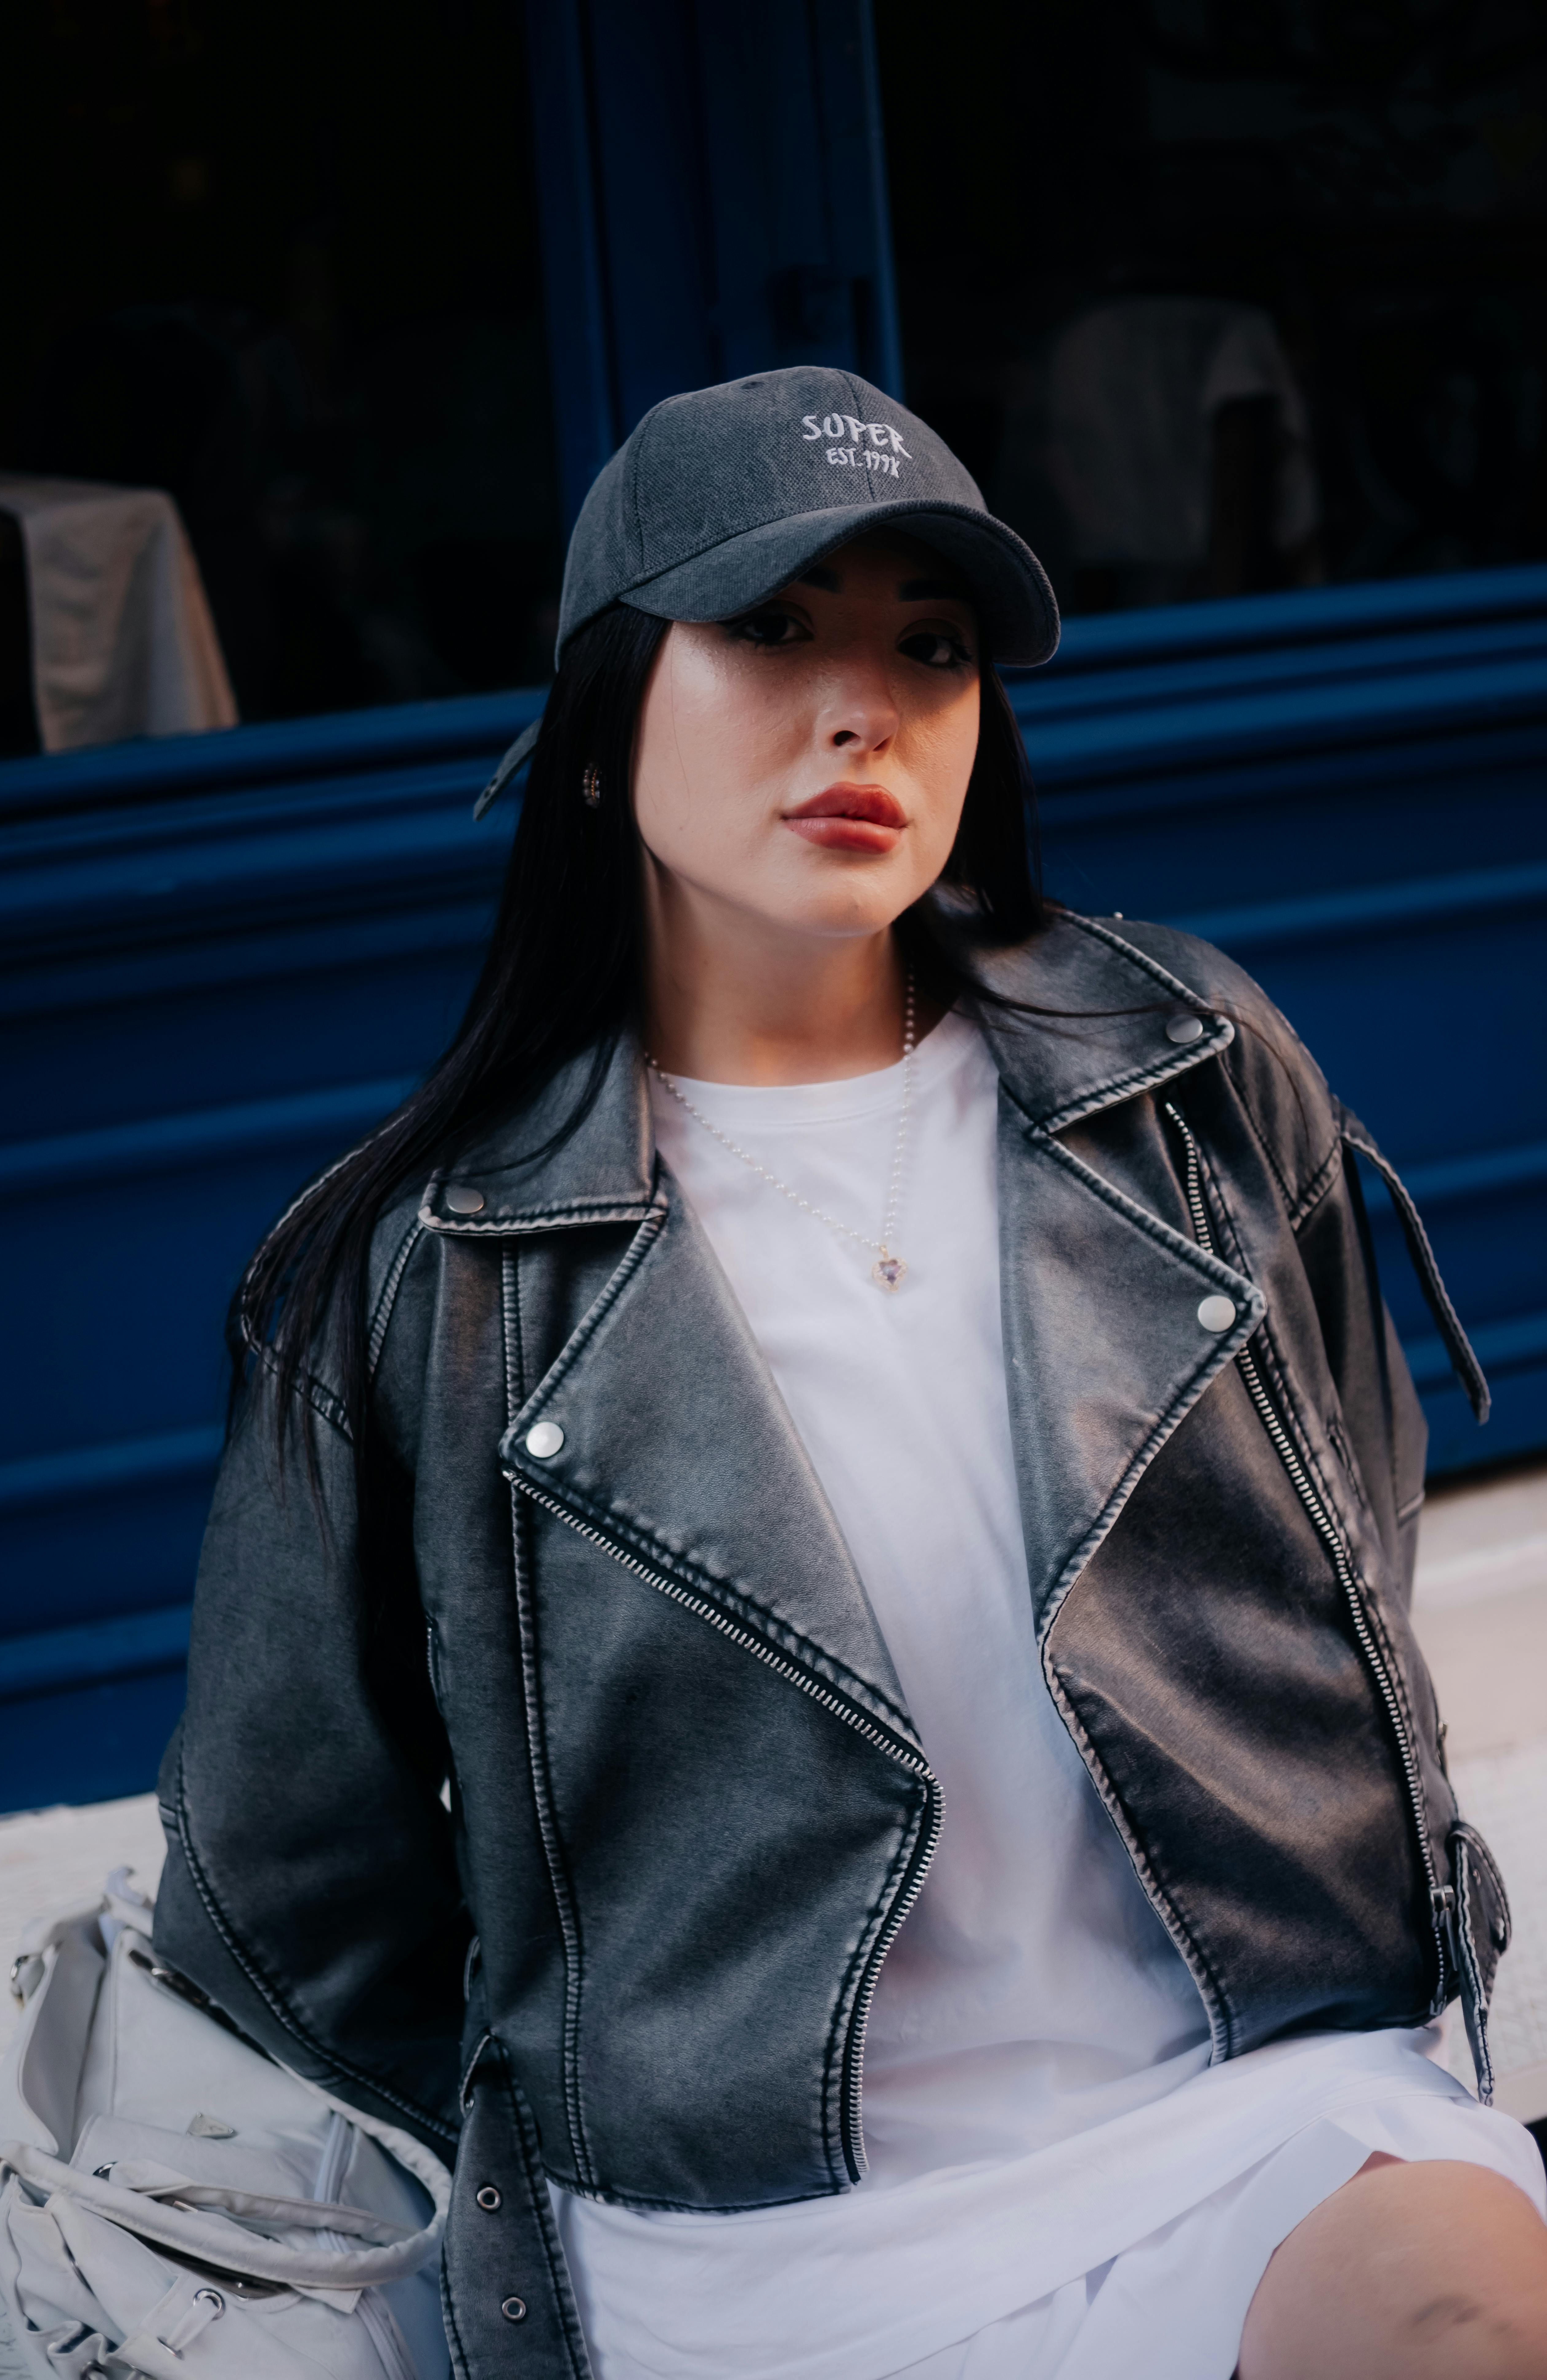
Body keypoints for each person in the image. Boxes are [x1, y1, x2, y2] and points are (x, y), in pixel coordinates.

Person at [153, 368, 1547, 2380]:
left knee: (1462, 2318)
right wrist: (621, 2097)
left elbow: (1351, 1542)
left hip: (1246, 2106)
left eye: (931, 645)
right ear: (601, 712)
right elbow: (295, 1886)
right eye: (772, 629)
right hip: (751, 2249)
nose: (863, 708)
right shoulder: (423, 1273)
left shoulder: (1189, 1079)